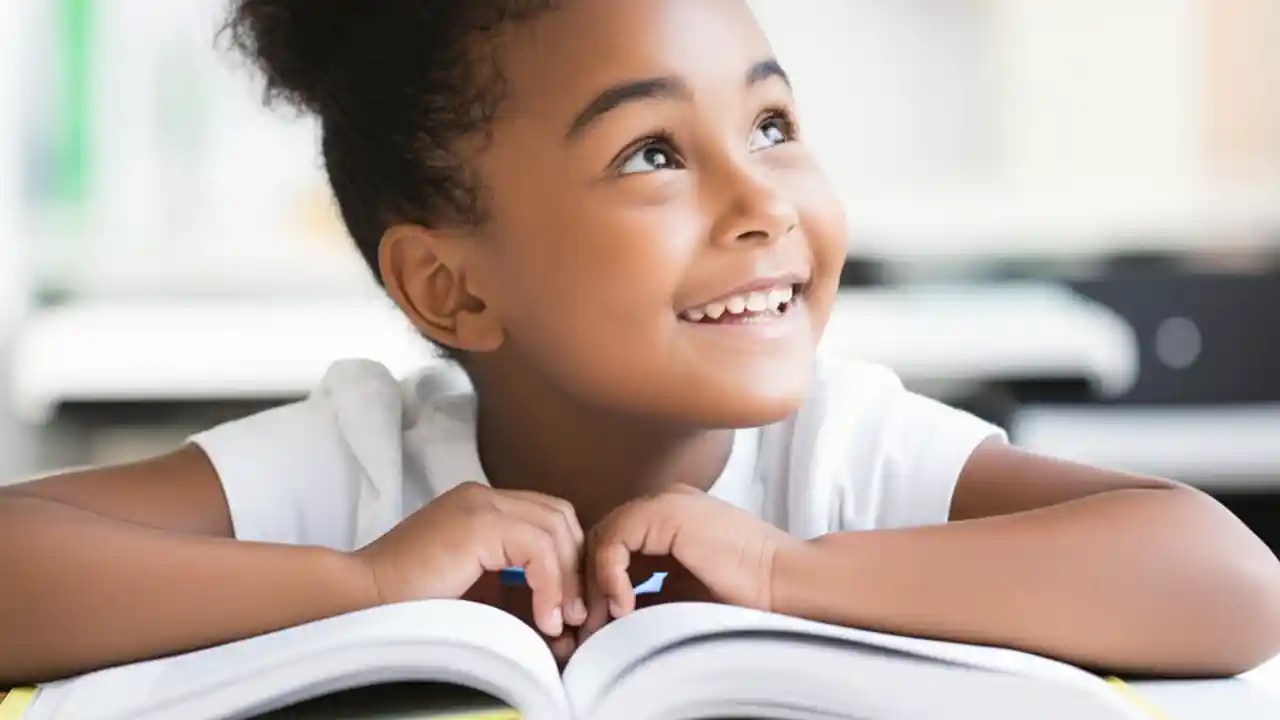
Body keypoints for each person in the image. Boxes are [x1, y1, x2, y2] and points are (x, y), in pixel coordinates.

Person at [2, 0, 1278, 686]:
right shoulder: (356, 467)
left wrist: (793, 577)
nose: (764, 201)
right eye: (653, 153)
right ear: (448, 290)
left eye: (771, 123)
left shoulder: (847, 453)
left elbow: (1229, 586)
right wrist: (364, 589)